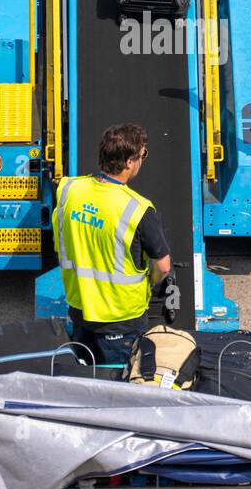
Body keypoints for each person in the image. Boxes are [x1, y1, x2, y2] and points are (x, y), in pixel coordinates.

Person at [54, 123, 172, 368]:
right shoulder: (137, 209)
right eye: (142, 155)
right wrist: (150, 283)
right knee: (118, 386)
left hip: (80, 307)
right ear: (129, 162)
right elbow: (163, 266)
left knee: (82, 376)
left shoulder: (69, 189)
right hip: (121, 319)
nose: (142, 160)